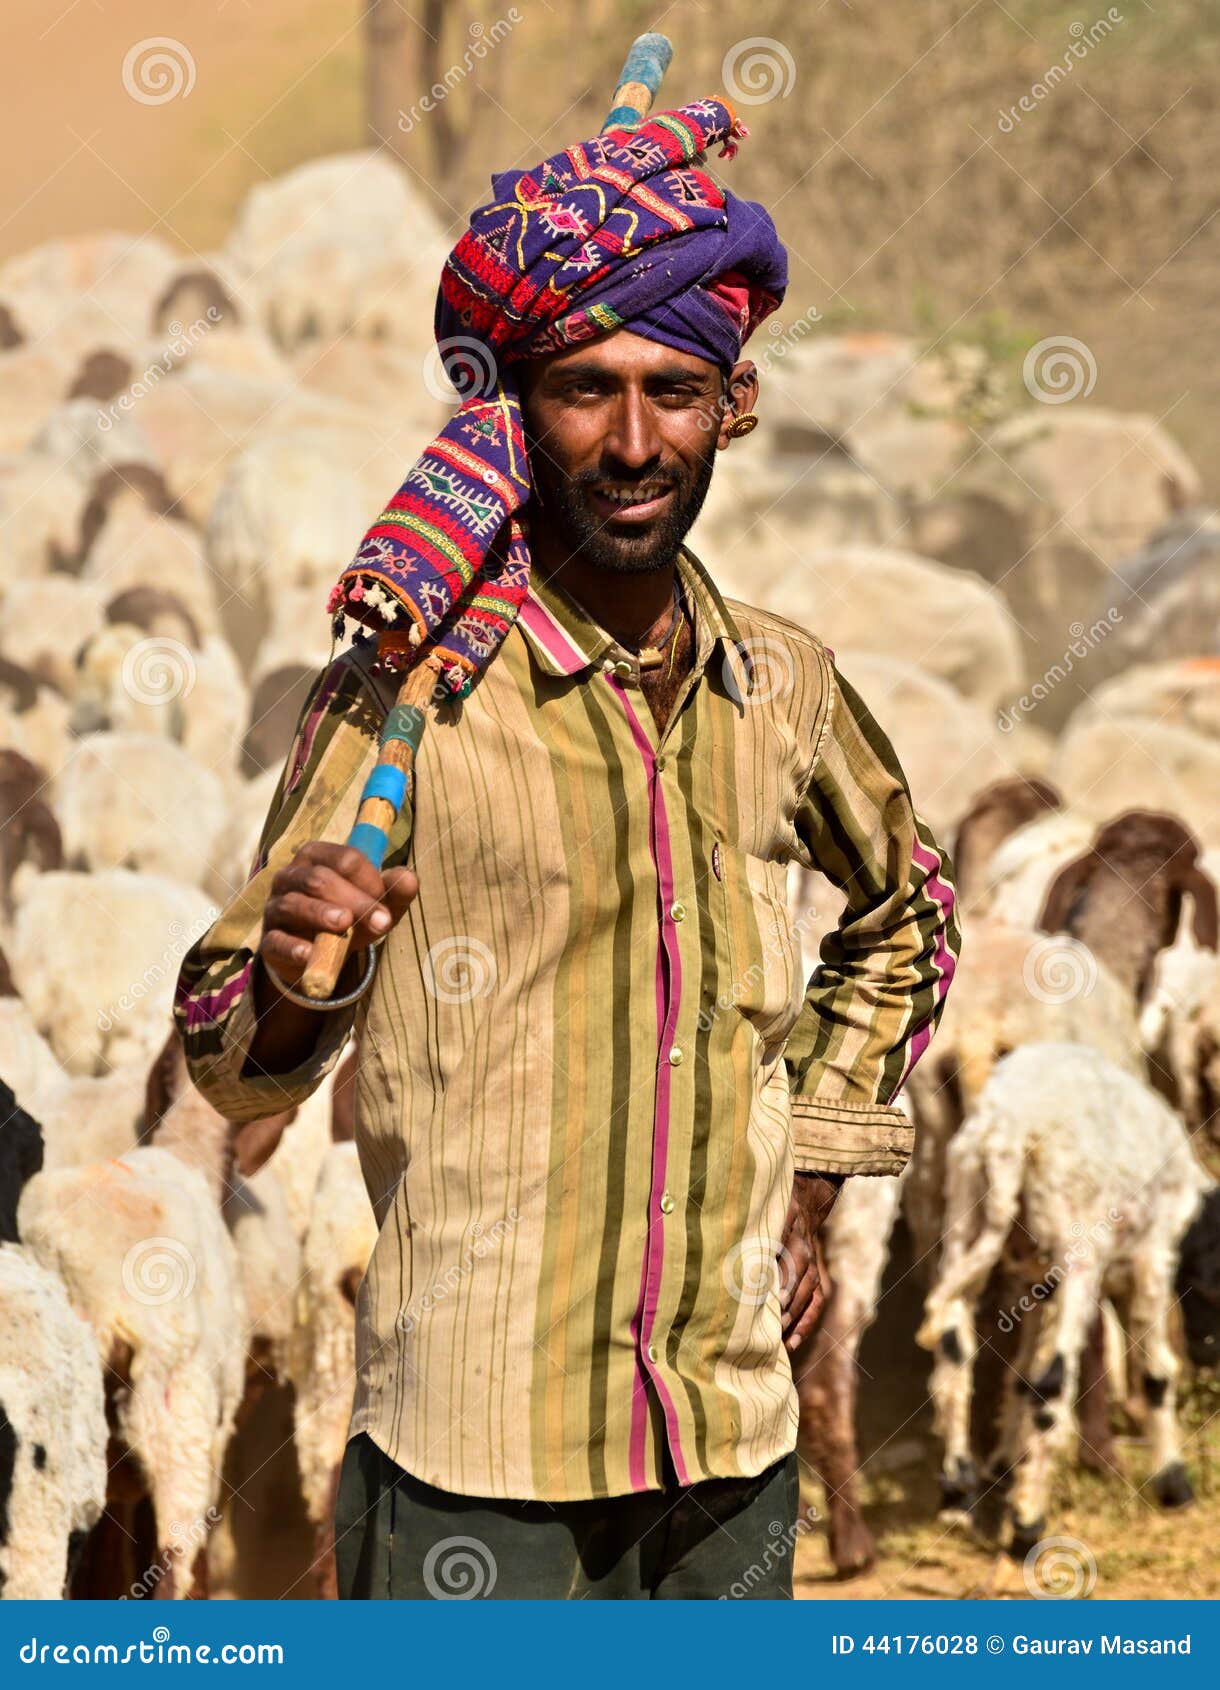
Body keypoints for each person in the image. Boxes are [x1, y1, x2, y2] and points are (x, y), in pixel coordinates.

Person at [175, 94, 962, 1601]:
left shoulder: (782, 688)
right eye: (584, 390)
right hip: (479, 1458)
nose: (632, 440)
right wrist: (296, 975)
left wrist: (809, 1175)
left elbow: (909, 907)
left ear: (733, 406)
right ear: (516, 408)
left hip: (730, 1439)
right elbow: (223, 1043)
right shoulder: (408, 693)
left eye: (676, 390)